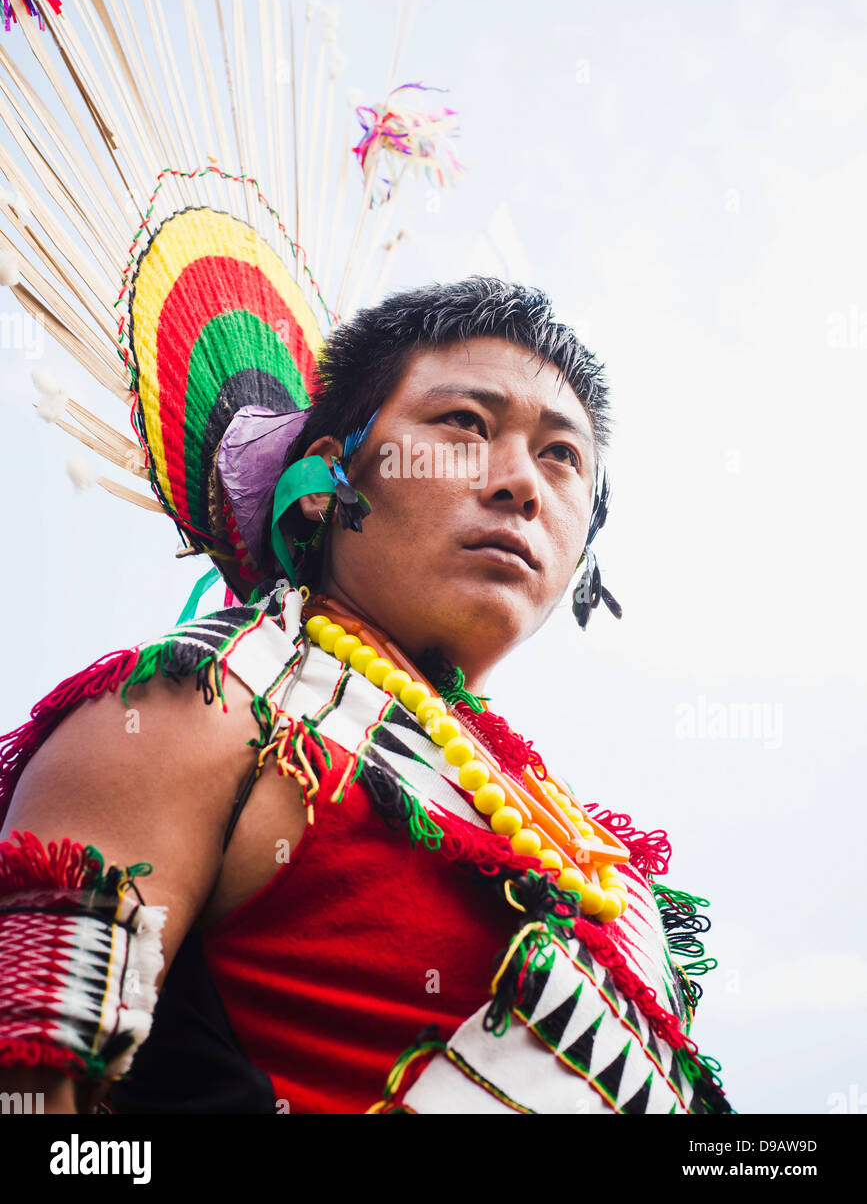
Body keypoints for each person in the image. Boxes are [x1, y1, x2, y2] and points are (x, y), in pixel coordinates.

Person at [0, 277, 731, 1115]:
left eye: (561, 455)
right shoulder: (211, 703)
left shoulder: (593, 855)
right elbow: (26, 1086)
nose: (520, 484)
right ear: (324, 478)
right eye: (464, 424)